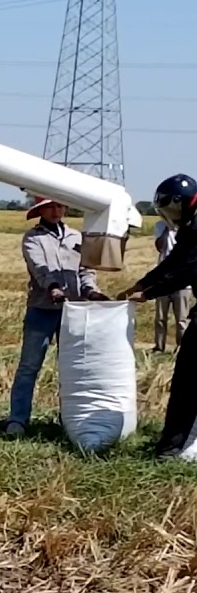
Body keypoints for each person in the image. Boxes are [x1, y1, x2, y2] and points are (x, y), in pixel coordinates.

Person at [5, 196, 109, 438]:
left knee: (71, 369)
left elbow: (85, 269)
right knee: (29, 366)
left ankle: (70, 421)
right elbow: (39, 267)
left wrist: (89, 290)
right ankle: (17, 420)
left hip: (73, 312)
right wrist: (52, 287)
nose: (56, 210)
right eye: (51, 206)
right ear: (41, 209)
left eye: (60, 205)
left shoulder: (76, 237)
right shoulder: (33, 238)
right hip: (42, 309)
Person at [118, 173, 197, 458]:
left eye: (170, 208)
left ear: (180, 203)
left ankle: (172, 448)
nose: (169, 214)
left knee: (188, 382)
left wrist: (149, 294)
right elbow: (174, 261)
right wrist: (142, 283)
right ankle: (176, 444)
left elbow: (189, 271)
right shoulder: (191, 226)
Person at [152, 218, 191, 352]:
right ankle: (159, 346)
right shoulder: (160, 225)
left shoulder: (189, 225)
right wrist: (167, 229)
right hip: (163, 279)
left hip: (182, 280)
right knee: (160, 317)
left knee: (181, 318)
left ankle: (181, 346)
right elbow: (159, 246)